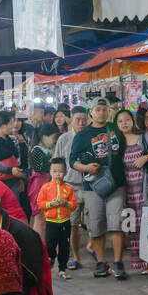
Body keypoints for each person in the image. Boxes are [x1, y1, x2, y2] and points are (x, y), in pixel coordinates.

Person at [71, 98, 129, 279]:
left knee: (117, 223)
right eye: (98, 109)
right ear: (91, 113)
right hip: (92, 185)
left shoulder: (115, 129)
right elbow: (73, 161)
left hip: (116, 183)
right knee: (95, 225)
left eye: (104, 109)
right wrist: (86, 168)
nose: (101, 113)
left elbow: (129, 146)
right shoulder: (82, 135)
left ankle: (118, 263)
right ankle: (101, 262)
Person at [118, 108, 148, 275]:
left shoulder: (144, 137)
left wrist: (146, 157)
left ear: (133, 121)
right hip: (128, 191)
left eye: (127, 119)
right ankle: (141, 263)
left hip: (145, 188)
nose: (124, 123)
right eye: (120, 121)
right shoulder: (117, 142)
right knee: (133, 228)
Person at [54, 106, 89, 269]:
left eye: (84, 119)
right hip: (70, 187)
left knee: (94, 223)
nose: (81, 123)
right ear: (72, 120)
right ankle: (75, 257)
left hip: (90, 186)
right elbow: (57, 163)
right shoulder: (64, 139)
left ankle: (93, 248)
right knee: (72, 225)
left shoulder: (93, 137)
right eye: (77, 119)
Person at [36, 157, 79, 279]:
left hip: (65, 222)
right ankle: (51, 258)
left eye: (60, 171)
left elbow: (74, 205)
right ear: (50, 172)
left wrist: (66, 204)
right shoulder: (46, 187)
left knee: (64, 246)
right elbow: (40, 203)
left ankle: (62, 269)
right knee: (50, 245)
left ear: (65, 172)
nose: (57, 174)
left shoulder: (69, 188)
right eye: (54, 171)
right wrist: (50, 204)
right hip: (51, 222)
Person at [0, 110, 27, 206]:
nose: (13, 126)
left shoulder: (11, 140)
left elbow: (17, 160)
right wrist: (10, 170)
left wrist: (19, 179)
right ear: (3, 125)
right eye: (11, 123)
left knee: (14, 207)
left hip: (13, 182)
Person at [27, 122, 59, 236]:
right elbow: (39, 168)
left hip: (47, 184)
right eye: (53, 138)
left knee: (44, 218)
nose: (54, 141)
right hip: (38, 186)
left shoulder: (47, 149)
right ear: (44, 137)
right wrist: (53, 159)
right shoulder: (36, 150)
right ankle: (38, 246)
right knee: (39, 218)